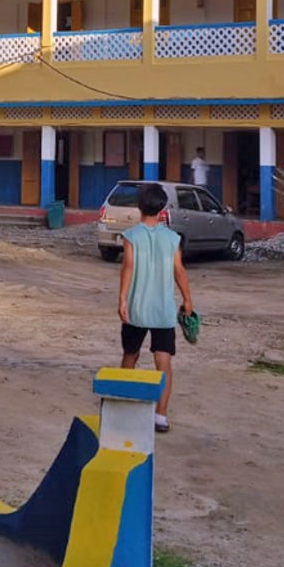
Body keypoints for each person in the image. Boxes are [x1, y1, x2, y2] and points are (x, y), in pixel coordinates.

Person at [117, 182, 193, 433]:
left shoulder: (131, 236)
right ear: (162, 209)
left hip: (137, 309)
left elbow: (127, 268)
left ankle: (124, 406)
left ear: (139, 207)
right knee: (164, 362)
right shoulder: (172, 238)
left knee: (131, 355)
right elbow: (179, 271)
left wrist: (122, 299)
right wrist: (188, 300)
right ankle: (161, 415)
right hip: (163, 311)